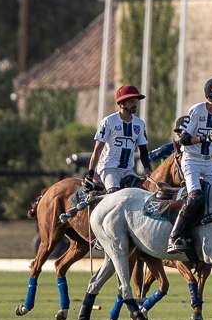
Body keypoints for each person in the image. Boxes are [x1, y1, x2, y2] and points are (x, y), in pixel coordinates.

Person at [167, 76, 212, 258]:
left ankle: (209, 233)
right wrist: (203, 138)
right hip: (190, 159)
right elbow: (183, 139)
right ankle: (174, 237)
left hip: (207, 161)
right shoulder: (197, 110)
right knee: (196, 196)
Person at [60, 84, 151, 223]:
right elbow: (97, 150)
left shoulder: (139, 124)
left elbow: (143, 150)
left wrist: (148, 170)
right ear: (122, 103)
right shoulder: (109, 122)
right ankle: (102, 234)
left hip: (128, 170)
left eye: (136, 101)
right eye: (131, 101)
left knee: (142, 196)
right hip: (109, 169)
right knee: (114, 198)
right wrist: (90, 173)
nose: (135, 104)